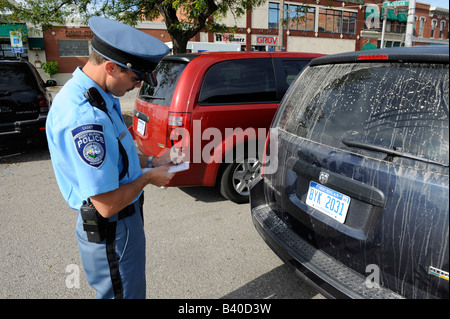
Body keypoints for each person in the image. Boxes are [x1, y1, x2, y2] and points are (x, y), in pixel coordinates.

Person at [46, 16, 175, 299]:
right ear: (111, 67)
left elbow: (119, 157)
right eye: (136, 78)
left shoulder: (101, 95)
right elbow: (105, 205)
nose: (138, 86)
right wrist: (150, 178)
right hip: (112, 229)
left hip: (122, 224)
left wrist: (154, 162)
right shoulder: (87, 118)